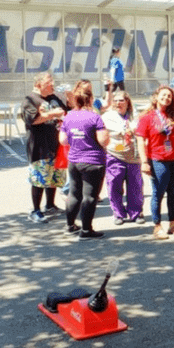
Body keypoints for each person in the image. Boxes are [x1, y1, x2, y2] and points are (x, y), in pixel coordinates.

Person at [136, 79, 174, 240]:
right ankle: (157, 226)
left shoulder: (173, 112)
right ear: (156, 97)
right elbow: (140, 140)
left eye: (169, 96)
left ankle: (173, 225)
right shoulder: (147, 117)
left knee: (173, 193)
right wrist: (144, 162)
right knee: (158, 193)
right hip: (158, 160)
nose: (166, 98)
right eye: (163, 95)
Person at [59, 80, 109, 240]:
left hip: (74, 160)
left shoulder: (68, 116)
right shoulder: (95, 117)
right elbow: (103, 140)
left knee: (74, 194)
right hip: (92, 161)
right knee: (89, 196)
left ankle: (70, 226)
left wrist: (77, 137)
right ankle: (86, 230)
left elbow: (63, 140)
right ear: (91, 99)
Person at [22, 72, 70, 223]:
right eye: (49, 82)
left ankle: (50, 205)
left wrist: (69, 96)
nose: (52, 84)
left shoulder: (54, 97)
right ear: (39, 84)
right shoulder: (30, 100)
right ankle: (36, 210)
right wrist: (51, 114)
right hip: (40, 147)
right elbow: (32, 120)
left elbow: (69, 108)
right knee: (39, 179)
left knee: (54, 177)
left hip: (56, 145)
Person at [102, 90, 144, 225]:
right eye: (115, 100)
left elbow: (139, 128)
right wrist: (125, 131)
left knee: (135, 186)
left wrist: (132, 129)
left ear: (127, 102)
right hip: (115, 153)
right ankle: (118, 214)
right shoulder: (107, 116)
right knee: (114, 185)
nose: (118, 103)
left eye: (121, 100)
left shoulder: (134, 115)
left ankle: (135, 213)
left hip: (133, 156)